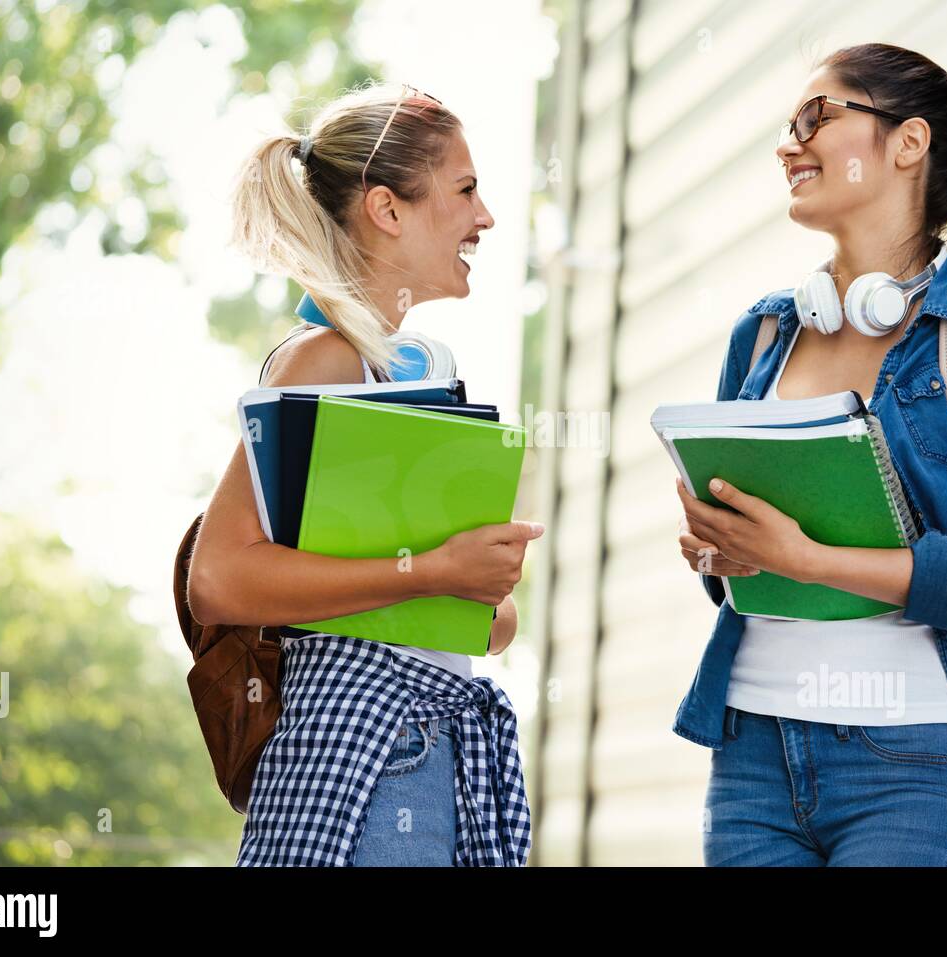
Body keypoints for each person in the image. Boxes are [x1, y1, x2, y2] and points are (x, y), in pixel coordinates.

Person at [673, 43, 947, 866]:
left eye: (816, 117)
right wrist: (724, 551)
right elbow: (735, 571)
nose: (790, 144)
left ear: (907, 144)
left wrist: (813, 557)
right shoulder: (764, 332)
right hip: (752, 753)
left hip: (910, 762)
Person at [187, 83, 543, 866]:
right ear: (388, 210)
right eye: (465, 190)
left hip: (419, 750)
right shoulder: (325, 360)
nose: (484, 217)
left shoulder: (384, 372)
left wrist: (466, 586)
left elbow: (481, 622)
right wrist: (436, 571)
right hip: (372, 764)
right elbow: (218, 577)